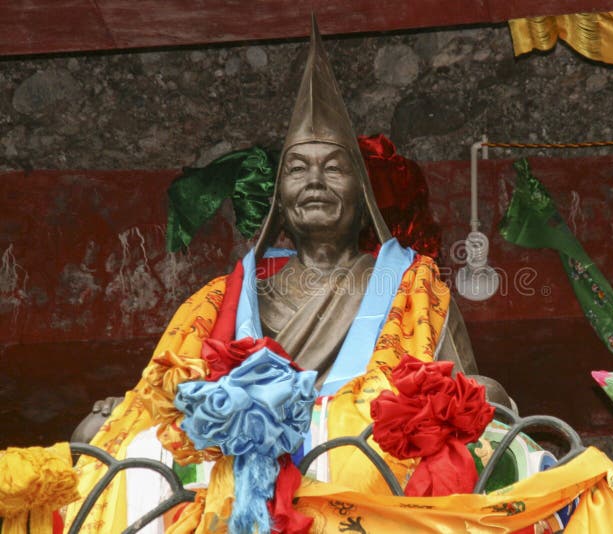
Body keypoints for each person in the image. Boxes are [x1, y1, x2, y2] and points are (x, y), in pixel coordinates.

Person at [66, 17, 517, 533]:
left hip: (366, 440)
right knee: (105, 433)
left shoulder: (412, 285)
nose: (315, 181)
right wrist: (134, 406)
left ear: (363, 198)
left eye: (334, 167)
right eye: (298, 169)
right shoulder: (227, 296)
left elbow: (457, 387)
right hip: (244, 437)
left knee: (479, 405)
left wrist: (471, 392)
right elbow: (178, 389)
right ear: (279, 200)